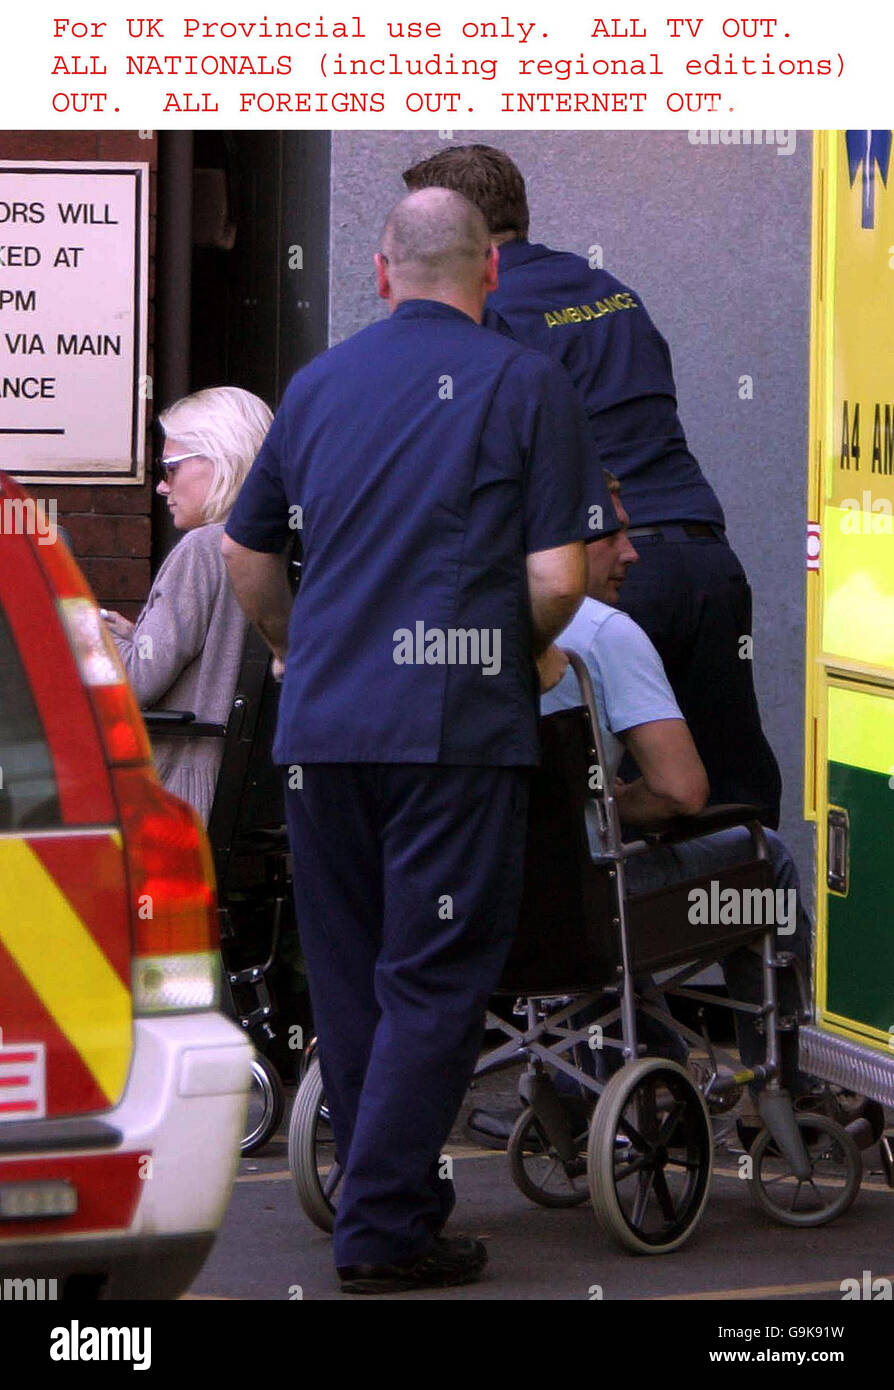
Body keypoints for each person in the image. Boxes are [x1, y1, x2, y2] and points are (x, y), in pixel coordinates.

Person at [221, 188, 613, 1294]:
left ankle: (392, 1195)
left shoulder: (316, 385)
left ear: (383, 274)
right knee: (435, 975)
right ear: (490, 274)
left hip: (326, 732)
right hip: (450, 730)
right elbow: (557, 578)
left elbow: (245, 557)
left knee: (349, 979)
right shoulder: (527, 383)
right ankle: (383, 1227)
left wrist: (301, 649)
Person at [402, 144, 783, 828]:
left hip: (610, 564)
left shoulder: (487, 312)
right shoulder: (608, 289)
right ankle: (751, 929)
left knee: (596, 810)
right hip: (704, 558)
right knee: (726, 799)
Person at [468, 474, 811, 1149]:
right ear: (559, 548)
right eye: (610, 536)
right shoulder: (600, 634)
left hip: (467, 899)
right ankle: (775, 1088)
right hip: (581, 907)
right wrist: (615, 805)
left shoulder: (441, 622)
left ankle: (628, 1064)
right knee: (766, 855)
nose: (632, 553)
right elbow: (682, 791)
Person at [104, 386, 273, 823]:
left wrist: (90, 633)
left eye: (170, 467)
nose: (162, 486)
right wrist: (133, 638)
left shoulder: (203, 549)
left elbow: (135, 685)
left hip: (181, 792)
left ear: (222, 460)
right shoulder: (275, 544)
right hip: (253, 795)